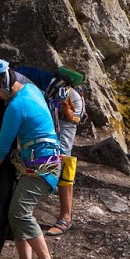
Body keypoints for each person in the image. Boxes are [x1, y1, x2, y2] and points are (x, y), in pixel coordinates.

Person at [0, 59, 62, 259]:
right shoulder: (31, 90)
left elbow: (2, 148)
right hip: (39, 162)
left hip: (42, 166)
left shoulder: (16, 106)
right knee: (14, 211)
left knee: (20, 212)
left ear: (2, 84)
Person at [44, 67, 86, 235]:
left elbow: (75, 117)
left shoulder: (71, 94)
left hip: (66, 125)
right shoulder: (64, 89)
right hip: (57, 121)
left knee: (64, 161)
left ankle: (65, 216)